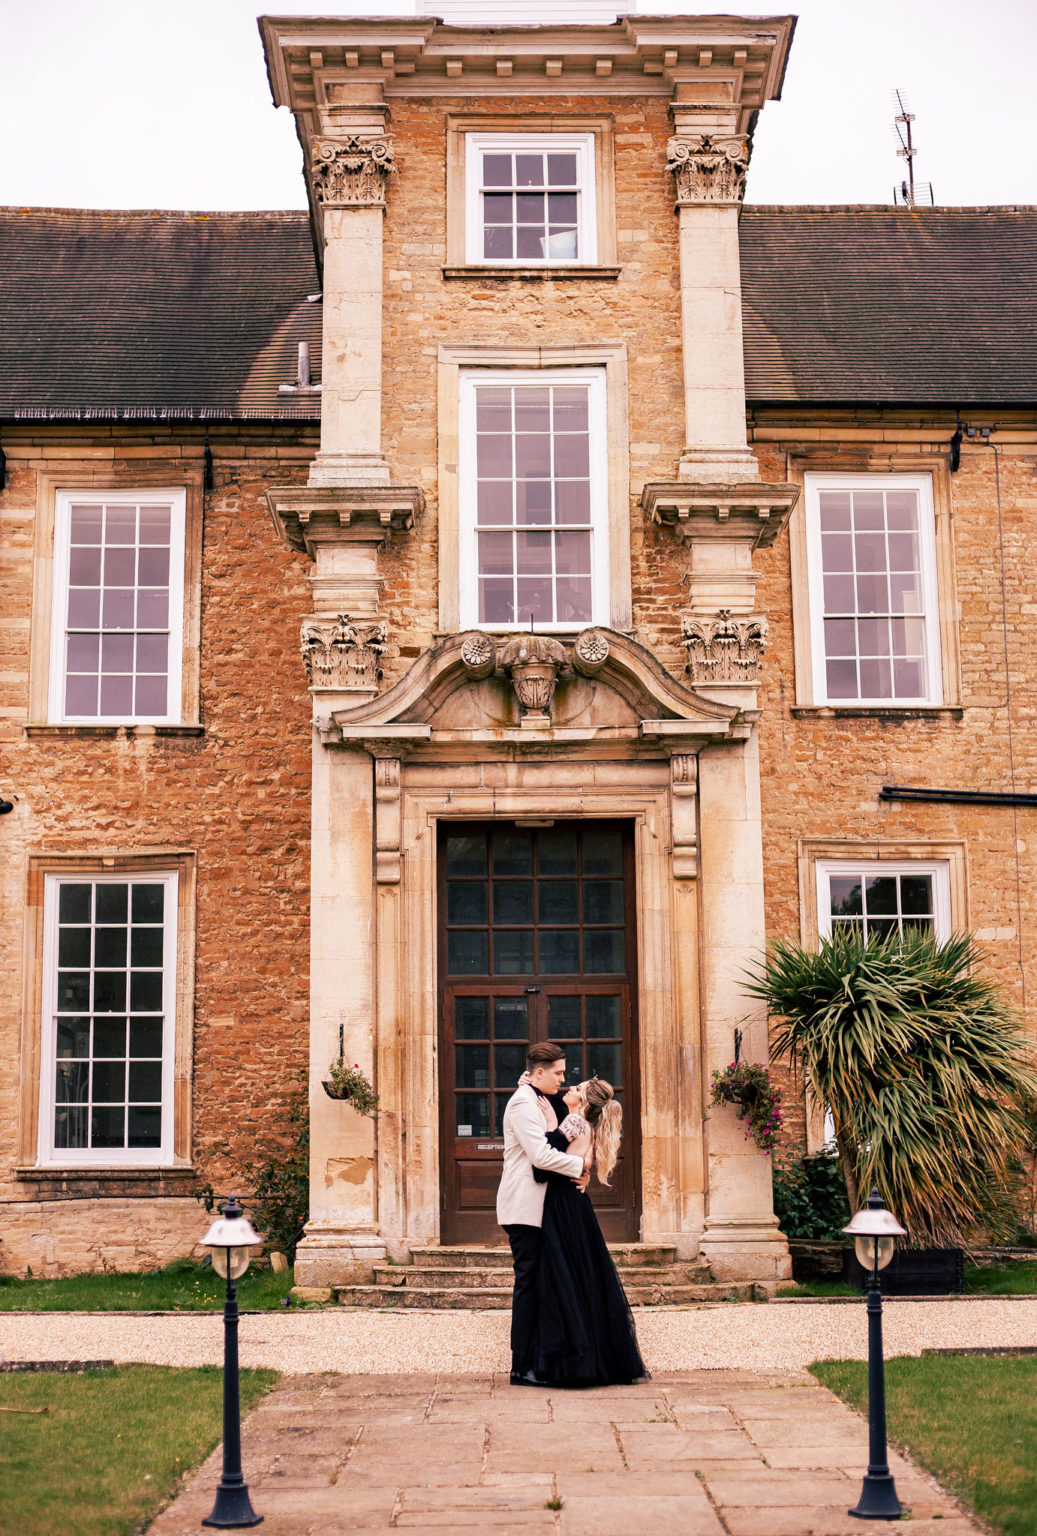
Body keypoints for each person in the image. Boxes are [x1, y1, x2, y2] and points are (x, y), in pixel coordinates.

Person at [530, 1077, 648, 1387]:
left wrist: (549, 1122)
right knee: (582, 1276)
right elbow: (575, 1159)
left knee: (562, 1277)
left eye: (578, 1089)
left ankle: (571, 1362)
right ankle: (592, 1357)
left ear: (583, 1101)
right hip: (576, 1205)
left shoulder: (573, 1122)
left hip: (562, 1205)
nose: (571, 1088)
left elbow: (541, 1165)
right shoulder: (585, 1125)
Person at [496, 1040, 592, 1386]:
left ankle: (538, 1360)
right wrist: (581, 1165)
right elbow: (540, 1156)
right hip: (523, 1206)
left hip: (539, 1207)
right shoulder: (522, 1103)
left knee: (539, 1286)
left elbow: (558, 1135)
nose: (562, 1080)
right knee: (528, 1286)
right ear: (539, 1072)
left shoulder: (535, 1098)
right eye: (558, 1073)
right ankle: (521, 1367)